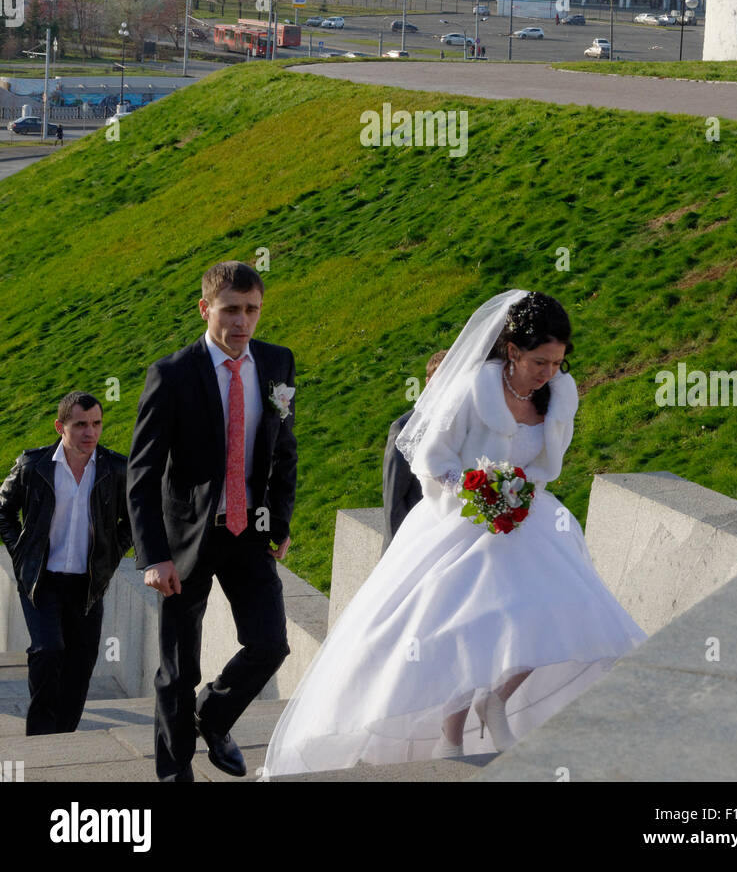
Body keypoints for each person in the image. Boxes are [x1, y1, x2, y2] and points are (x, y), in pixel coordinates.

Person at [262, 290, 647, 776]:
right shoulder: (471, 390)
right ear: (511, 351)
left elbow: (546, 466)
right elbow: (430, 458)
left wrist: (515, 495)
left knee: (559, 607)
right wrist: (475, 489)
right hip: (458, 517)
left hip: (525, 517)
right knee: (461, 625)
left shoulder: (559, 396)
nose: (549, 372)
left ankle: (495, 699)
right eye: (539, 361)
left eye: (557, 362)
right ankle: (450, 735)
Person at [127, 260, 297, 782]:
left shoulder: (277, 364)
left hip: (249, 532)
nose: (242, 322)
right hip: (187, 539)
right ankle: (173, 771)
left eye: (252, 310)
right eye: (230, 310)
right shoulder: (173, 373)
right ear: (206, 309)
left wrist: (281, 521)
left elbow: (284, 450)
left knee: (271, 643)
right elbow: (143, 470)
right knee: (180, 669)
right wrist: (154, 555)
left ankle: (214, 715)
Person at [0, 392, 131, 735]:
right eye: (80, 425)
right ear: (60, 427)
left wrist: (112, 553)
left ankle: (64, 736)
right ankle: (41, 735)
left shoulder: (116, 469)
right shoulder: (34, 466)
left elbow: (134, 520)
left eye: (96, 424)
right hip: (41, 580)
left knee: (80, 662)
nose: (90, 432)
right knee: (48, 651)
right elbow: (3, 510)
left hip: (87, 584)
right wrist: (20, 550)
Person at [381, 349, 447, 549]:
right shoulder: (404, 428)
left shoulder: (466, 424)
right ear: (428, 384)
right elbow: (394, 499)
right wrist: (400, 549)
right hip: (413, 541)